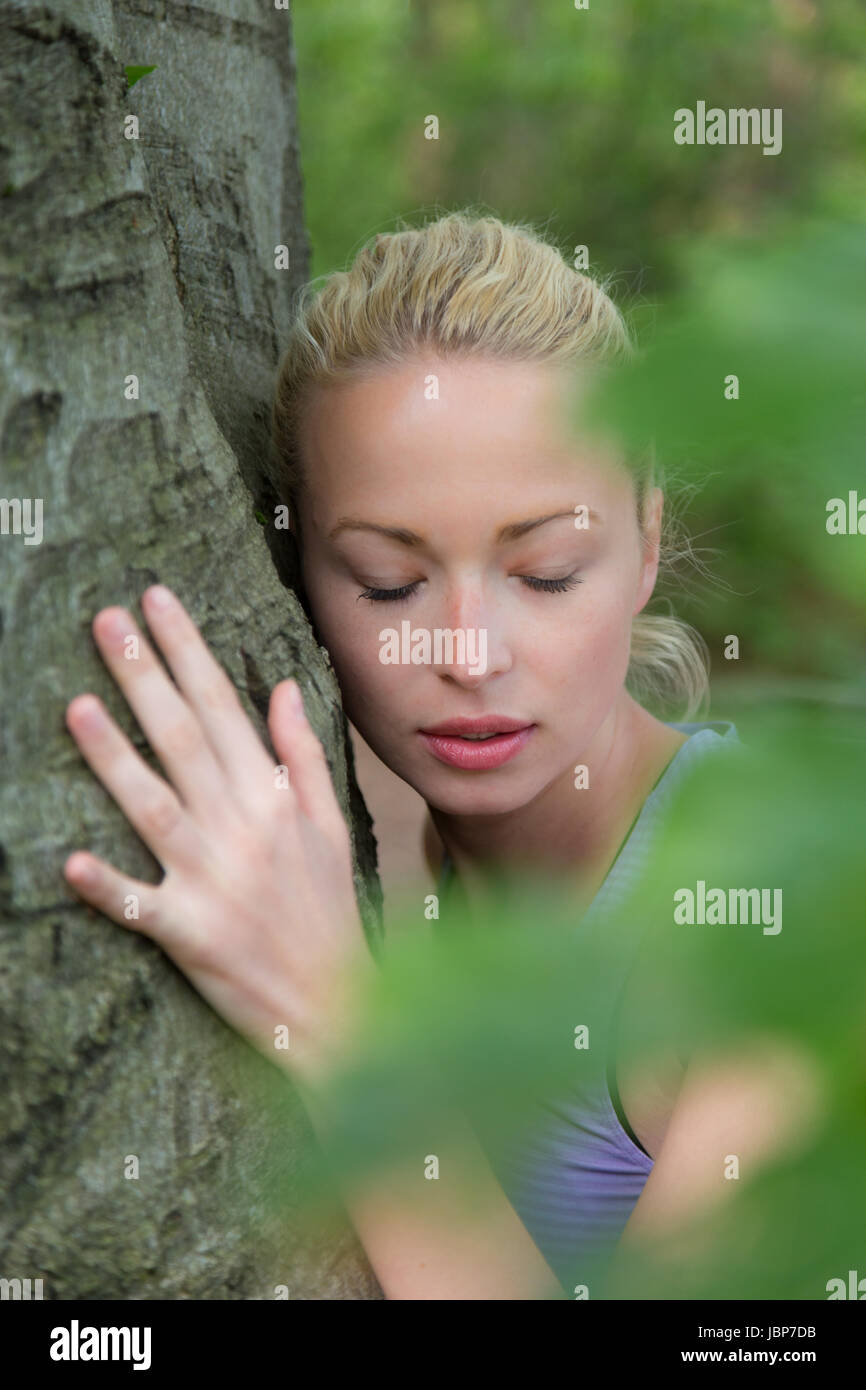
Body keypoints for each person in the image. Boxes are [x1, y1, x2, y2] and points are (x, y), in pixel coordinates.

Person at [63, 211, 810, 1300]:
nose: (465, 654)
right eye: (385, 580)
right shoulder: (451, 876)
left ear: (645, 543)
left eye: (546, 571)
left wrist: (335, 1011)